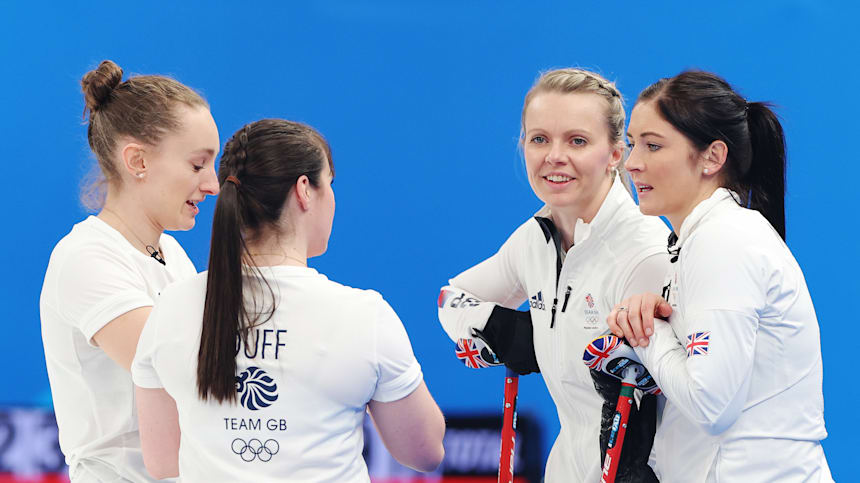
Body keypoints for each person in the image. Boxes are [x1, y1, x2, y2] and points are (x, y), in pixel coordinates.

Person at [131, 119, 446, 481]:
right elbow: (424, 451)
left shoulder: (170, 307)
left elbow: (163, 463)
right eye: (329, 183)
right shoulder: (363, 316)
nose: (333, 200)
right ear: (304, 190)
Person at [437, 68, 670, 482]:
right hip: (567, 468)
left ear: (616, 153)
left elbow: (676, 394)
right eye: (539, 138)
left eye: (577, 141)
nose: (554, 156)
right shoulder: (533, 239)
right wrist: (503, 330)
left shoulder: (644, 249)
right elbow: (451, 298)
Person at [609, 70, 832, 481]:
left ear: (713, 157)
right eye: (630, 144)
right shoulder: (706, 239)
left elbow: (710, 406)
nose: (632, 163)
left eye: (652, 145)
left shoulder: (724, 241)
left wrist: (647, 334)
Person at [39, 60, 219, 481]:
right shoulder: (85, 258)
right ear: (137, 160)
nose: (213, 184)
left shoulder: (172, 254)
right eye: (197, 165)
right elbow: (180, 372)